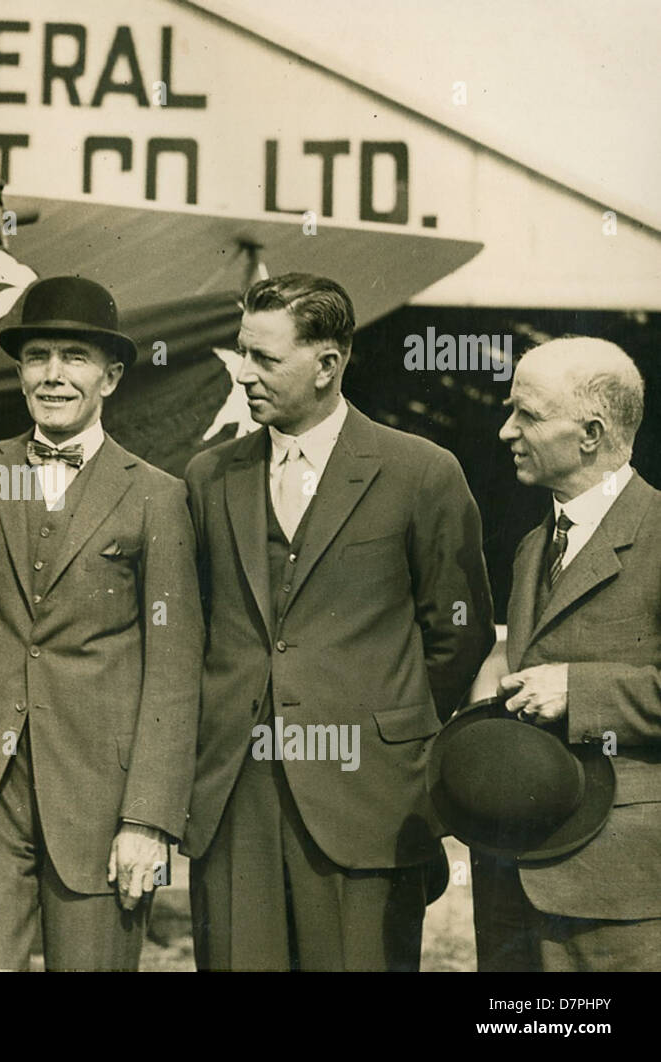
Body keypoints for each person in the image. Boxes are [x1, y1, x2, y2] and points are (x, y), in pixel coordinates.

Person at [183, 272, 494, 970]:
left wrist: (381, 727)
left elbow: (460, 631)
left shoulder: (420, 472)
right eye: (242, 354)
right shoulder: (209, 477)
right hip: (237, 799)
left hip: (367, 802)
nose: (245, 376)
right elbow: (196, 626)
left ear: (327, 364)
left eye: (265, 359)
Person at [0, 275, 202, 970]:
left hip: (101, 809)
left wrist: (148, 820)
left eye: (74, 357)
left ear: (111, 377)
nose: (54, 375)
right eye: (37, 357)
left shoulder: (158, 496)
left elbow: (174, 673)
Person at [478, 336, 660, 971]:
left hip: (622, 892)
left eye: (527, 414)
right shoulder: (535, 545)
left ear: (590, 432)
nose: (507, 431)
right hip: (516, 876)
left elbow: (569, 679)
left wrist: (578, 693)